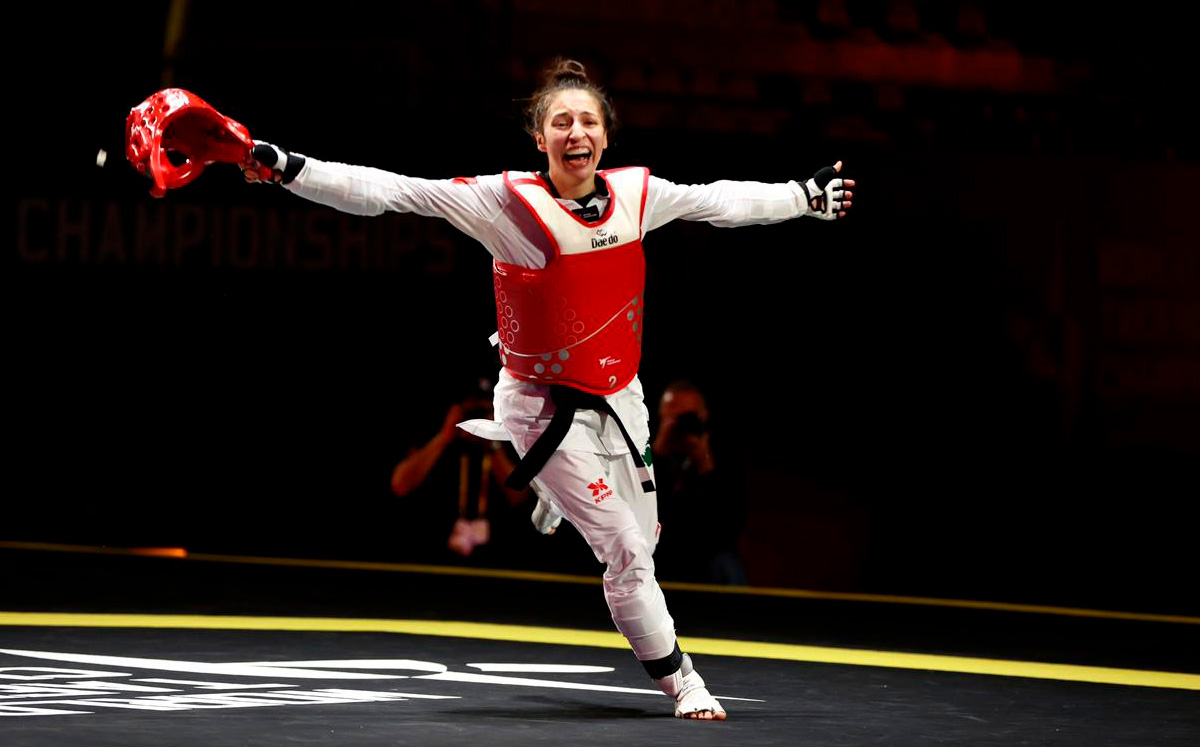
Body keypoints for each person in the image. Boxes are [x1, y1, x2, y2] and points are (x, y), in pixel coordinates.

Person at [241, 57, 855, 721]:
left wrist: (803, 196)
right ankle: (684, 680)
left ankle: (552, 492)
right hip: (540, 408)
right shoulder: (503, 204)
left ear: (606, 135)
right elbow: (390, 190)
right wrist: (283, 165)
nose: (575, 130)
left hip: (623, 401)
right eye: (560, 121)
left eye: (587, 119)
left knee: (643, 544)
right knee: (623, 547)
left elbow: (722, 201)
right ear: (540, 137)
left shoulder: (639, 196)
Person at [389, 377, 533, 563]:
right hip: (428, 557)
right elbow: (400, 485)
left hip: (497, 560)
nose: (478, 418)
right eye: (473, 410)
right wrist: (445, 437)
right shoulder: (434, 434)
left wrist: (493, 444)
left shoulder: (511, 439)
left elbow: (519, 498)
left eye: (486, 410)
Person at [651, 379, 748, 586]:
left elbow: (732, 522)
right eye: (674, 416)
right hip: (657, 550)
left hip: (705, 551)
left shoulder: (721, 456)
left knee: (726, 564)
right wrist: (656, 457)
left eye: (689, 416)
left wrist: (705, 466)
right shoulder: (646, 456)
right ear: (661, 417)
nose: (682, 424)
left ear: (703, 417)